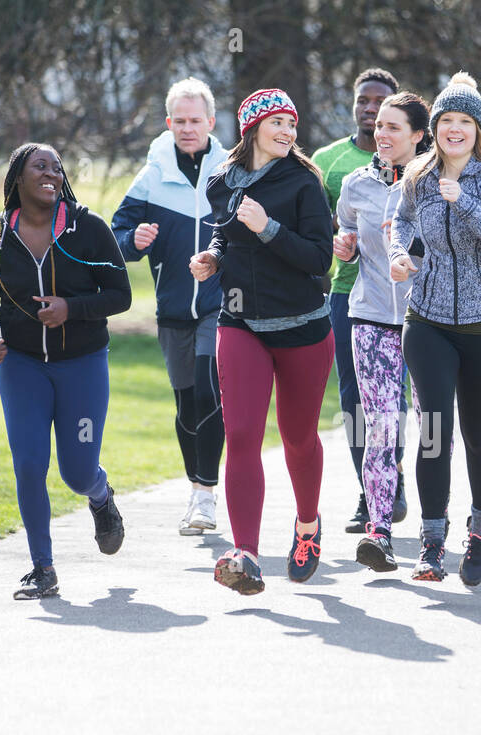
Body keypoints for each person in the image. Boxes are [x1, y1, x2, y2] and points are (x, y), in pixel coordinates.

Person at [0, 143, 132, 599]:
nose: (52, 174)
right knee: (30, 466)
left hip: (82, 366)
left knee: (76, 474)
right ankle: (43, 568)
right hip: (22, 368)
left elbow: (120, 295)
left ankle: (100, 495)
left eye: (57, 168)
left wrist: (71, 308)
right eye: (41, 166)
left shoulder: (88, 229)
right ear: (17, 177)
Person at [189, 89, 335, 595]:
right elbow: (225, 235)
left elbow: (320, 260)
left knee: (297, 437)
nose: (287, 133)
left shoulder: (304, 184)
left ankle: (308, 526)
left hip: (301, 327)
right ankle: (245, 553)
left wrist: (269, 227)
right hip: (240, 322)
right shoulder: (221, 183)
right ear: (252, 127)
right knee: (244, 433)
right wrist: (211, 257)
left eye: (291, 125)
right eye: (276, 123)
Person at [389, 72, 481, 586]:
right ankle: (431, 543)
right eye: (446, 120)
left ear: (478, 129)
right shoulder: (418, 177)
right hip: (426, 323)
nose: (454, 129)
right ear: (435, 126)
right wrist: (401, 255)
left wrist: (464, 204)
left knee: (476, 434)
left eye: (464, 121)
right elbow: (402, 224)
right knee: (433, 431)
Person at [112, 77, 228, 536]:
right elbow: (117, 235)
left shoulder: (230, 169)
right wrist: (133, 241)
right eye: (179, 121)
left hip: (220, 305)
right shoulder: (153, 173)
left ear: (211, 122)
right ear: (168, 123)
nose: (187, 128)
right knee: (184, 403)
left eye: (195, 120)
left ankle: (206, 495)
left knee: (207, 387)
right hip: (172, 307)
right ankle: (195, 488)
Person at [334, 91, 430, 572]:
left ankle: (436, 524)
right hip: (370, 317)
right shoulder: (355, 185)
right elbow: (348, 238)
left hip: (430, 322)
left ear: (418, 135)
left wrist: (413, 262)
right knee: (380, 427)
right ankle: (379, 533)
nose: (382, 133)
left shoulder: (435, 184)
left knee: (433, 429)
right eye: (379, 125)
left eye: (395, 127)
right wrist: (346, 248)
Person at [313, 68, 411, 533]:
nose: (371, 110)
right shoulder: (331, 162)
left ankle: (397, 480)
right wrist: (338, 243)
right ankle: (366, 489)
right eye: (364, 101)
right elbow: (322, 226)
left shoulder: (418, 166)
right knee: (356, 401)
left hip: (409, 298)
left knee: (402, 397)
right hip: (349, 294)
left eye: (382, 104)